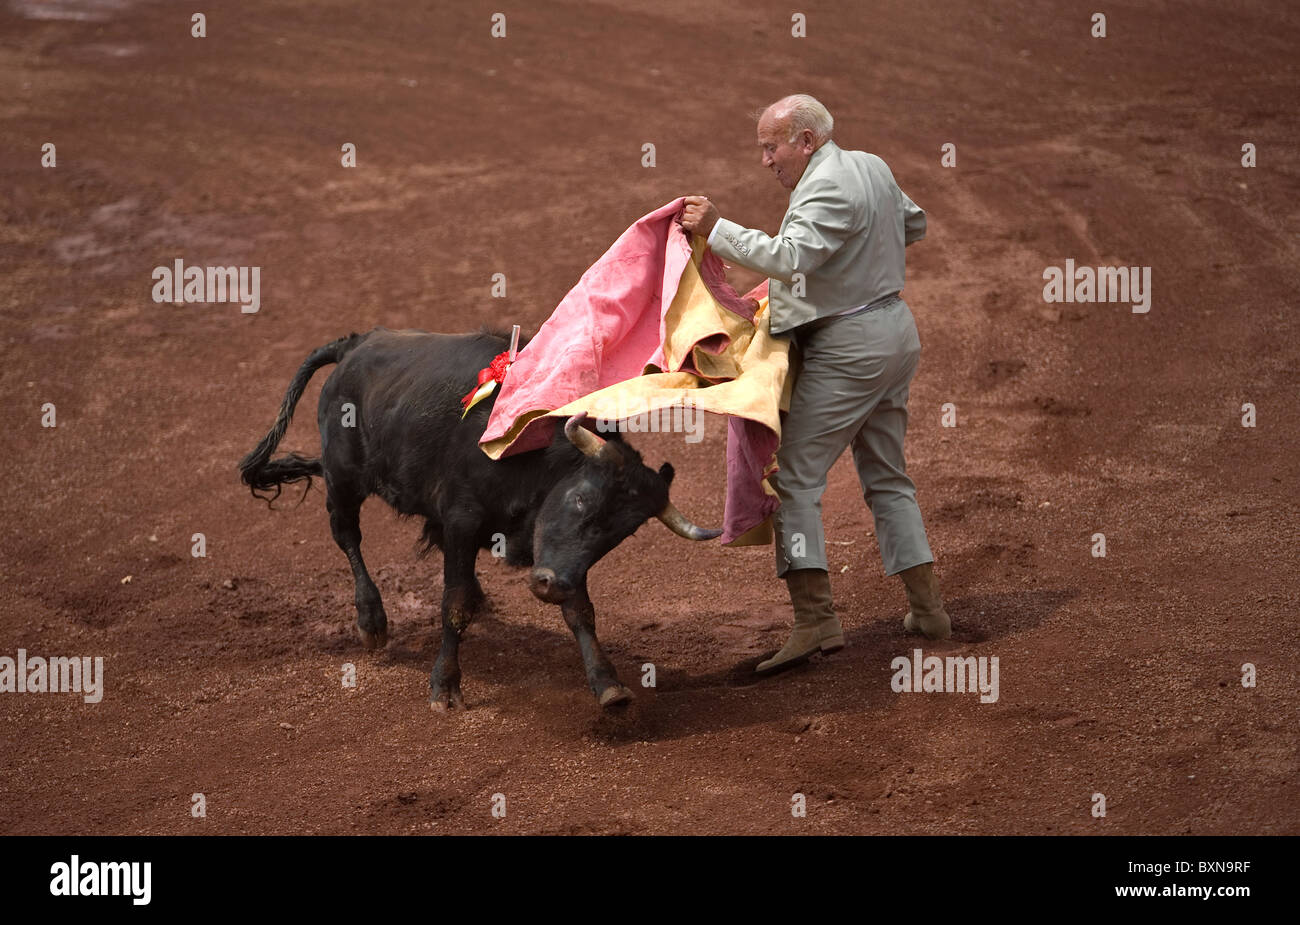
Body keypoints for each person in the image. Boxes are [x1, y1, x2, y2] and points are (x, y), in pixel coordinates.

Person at [679, 93, 951, 674]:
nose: (765, 160)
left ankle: (815, 622)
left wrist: (716, 228)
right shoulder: (872, 165)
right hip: (895, 332)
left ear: (805, 141)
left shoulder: (827, 184)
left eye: (771, 147)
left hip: (850, 347)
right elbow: (914, 224)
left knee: (794, 480)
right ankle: (928, 612)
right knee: (886, 474)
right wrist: (861, 265)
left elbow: (791, 257)